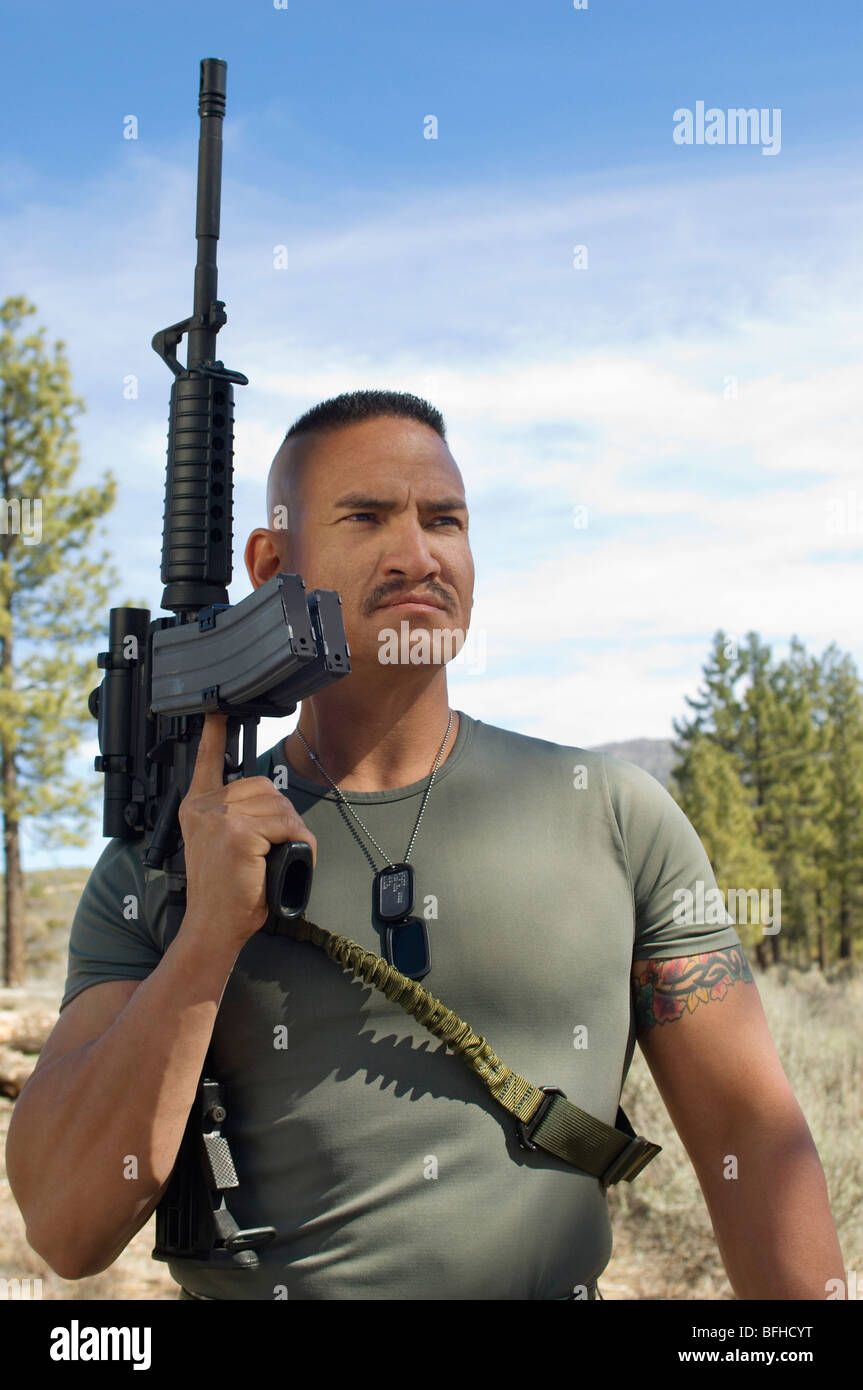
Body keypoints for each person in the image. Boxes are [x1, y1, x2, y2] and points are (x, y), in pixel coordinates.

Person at [6, 390, 845, 1301]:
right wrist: (207, 935)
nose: (417, 554)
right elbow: (65, 1226)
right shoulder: (168, 863)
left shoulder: (612, 815)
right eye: (366, 517)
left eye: (443, 519)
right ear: (272, 566)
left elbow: (753, 1140)